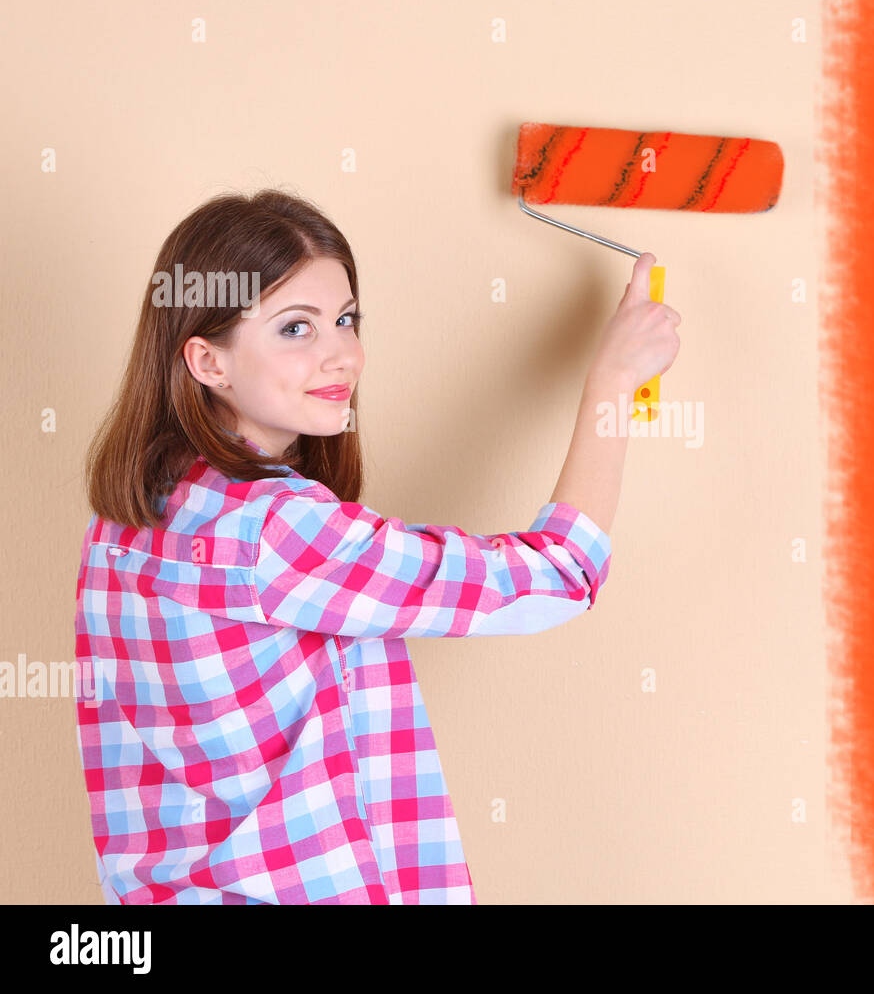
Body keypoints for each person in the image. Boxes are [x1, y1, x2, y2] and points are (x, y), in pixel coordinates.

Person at [73, 189, 680, 903]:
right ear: (209, 361)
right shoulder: (279, 530)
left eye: (346, 319)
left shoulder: (124, 523)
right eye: (295, 328)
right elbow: (560, 572)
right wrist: (613, 382)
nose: (342, 356)